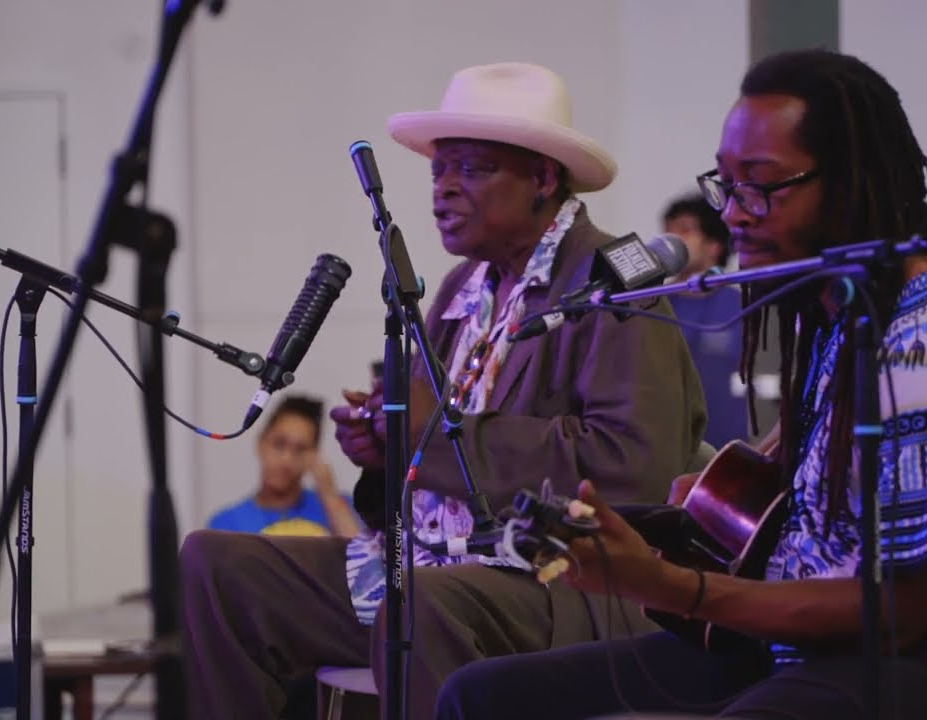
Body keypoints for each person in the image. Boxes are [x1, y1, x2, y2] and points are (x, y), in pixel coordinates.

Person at [435, 49, 927, 720]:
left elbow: (895, 612)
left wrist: (671, 585)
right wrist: (651, 531)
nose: (734, 214)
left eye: (762, 186)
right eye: (726, 184)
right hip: (805, 649)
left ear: (850, 185)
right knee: (481, 696)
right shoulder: (845, 313)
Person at [180, 62, 707, 719]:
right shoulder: (461, 290)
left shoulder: (611, 283)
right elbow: (425, 454)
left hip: (565, 583)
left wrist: (437, 434)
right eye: (438, 170)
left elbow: (637, 467)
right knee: (217, 566)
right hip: (434, 569)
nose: (443, 191)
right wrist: (384, 444)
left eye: (472, 170)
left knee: (421, 603)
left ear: (543, 177)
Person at [661, 193, 753, 448]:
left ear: (714, 245)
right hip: (667, 448)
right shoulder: (651, 305)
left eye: (685, 230)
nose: (670, 238)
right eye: (668, 229)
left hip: (729, 454)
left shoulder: (744, 308)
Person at [207, 394, 361, 538]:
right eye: (279, 444)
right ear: (261, 442)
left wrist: (330, 495)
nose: (287, 460)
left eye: (300, 449)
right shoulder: (225, 525)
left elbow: (366, 563)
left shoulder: (340, 509)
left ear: (313, 455)